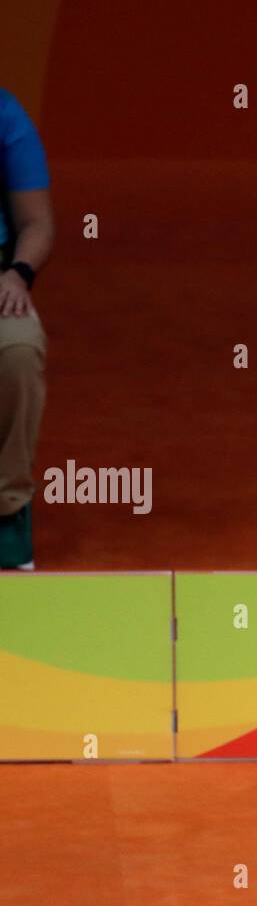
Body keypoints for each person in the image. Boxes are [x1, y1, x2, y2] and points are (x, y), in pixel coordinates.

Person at [0, 87, 52, 572]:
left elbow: (37, 221)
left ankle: (7, 509)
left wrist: (18, 273)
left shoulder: (4, 113)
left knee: (18, 348)